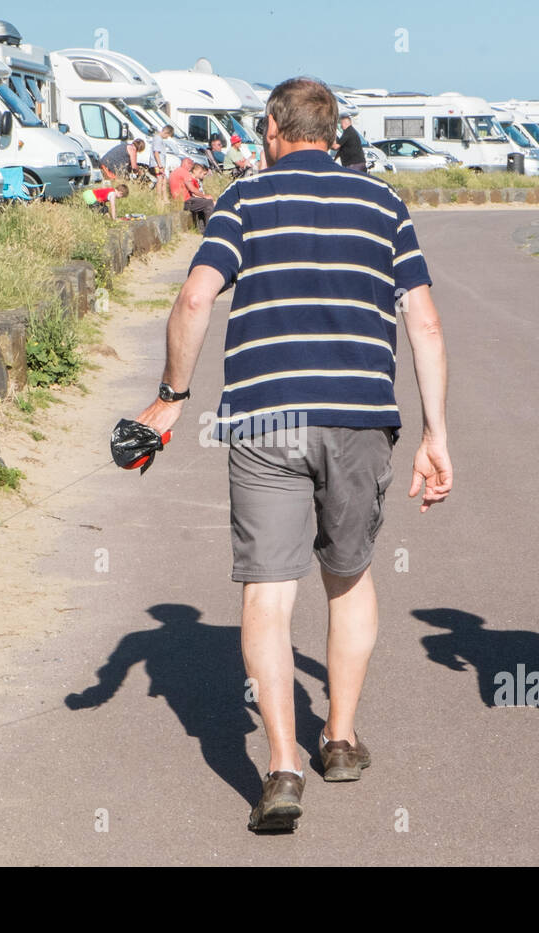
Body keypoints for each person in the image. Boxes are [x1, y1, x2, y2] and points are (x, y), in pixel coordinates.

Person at [130, 77, 452, 833]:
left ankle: (281, 766)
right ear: (333, 130)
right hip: (360, 420)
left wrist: (170, 399)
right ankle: (338, 738)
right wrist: (437, 435)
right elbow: (426, 326)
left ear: (275, 128)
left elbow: (195, 299)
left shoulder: (243, 200)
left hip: (265, 419)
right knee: (348, 576)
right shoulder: (383, 204)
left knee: (268, 593)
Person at [167, 157, 215, 227]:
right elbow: (192, 188)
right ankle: (209, 228)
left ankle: (202, 228)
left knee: (202, 202)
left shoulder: (175, 171)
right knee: (208, 203)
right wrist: (204, 196)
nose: (191, 168)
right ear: (187, 163)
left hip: (177, 201)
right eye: (191, 165)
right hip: (185, 201)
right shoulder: (184, 172)